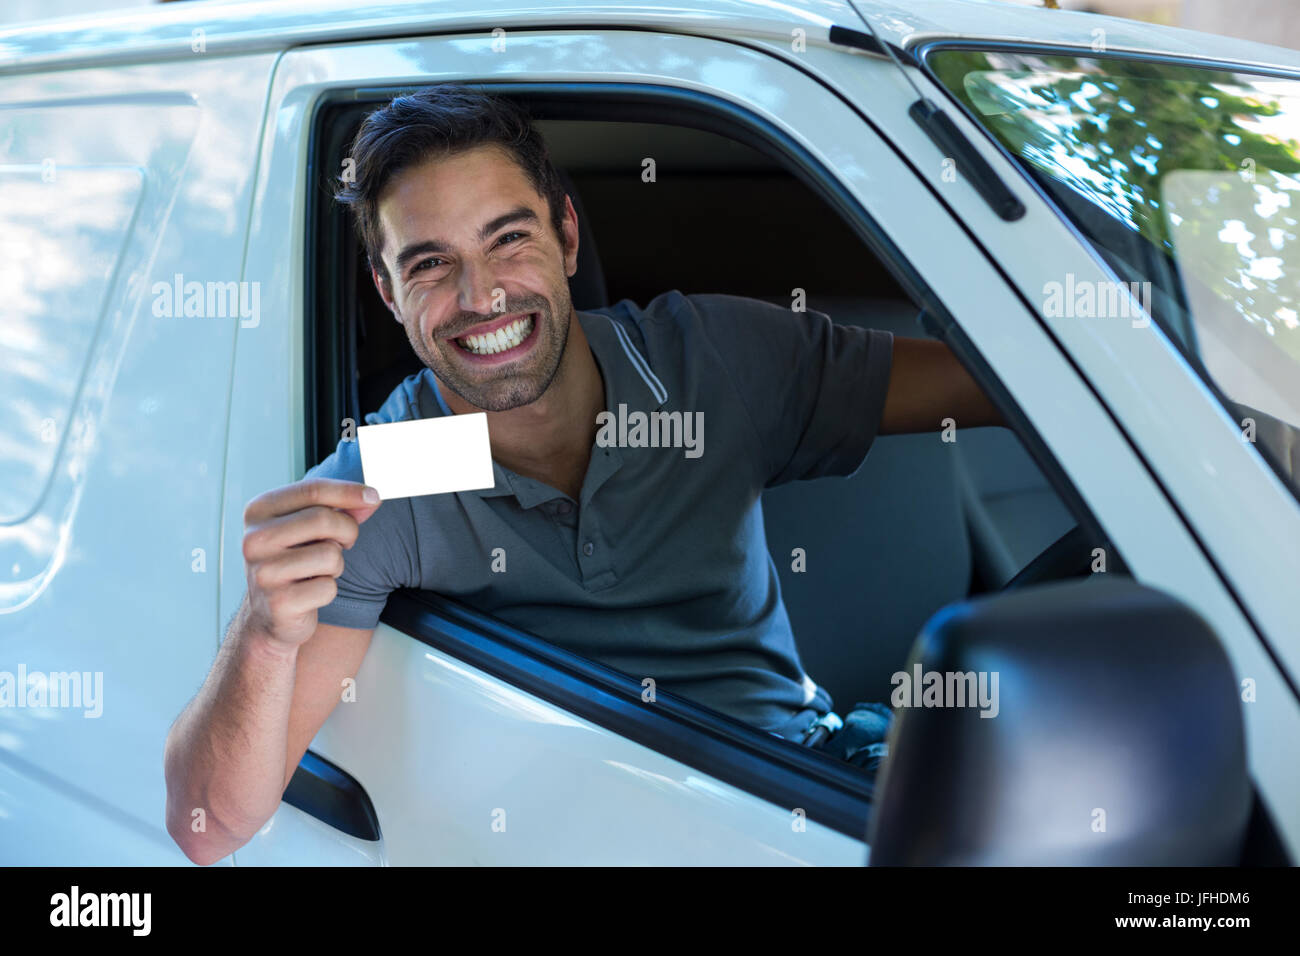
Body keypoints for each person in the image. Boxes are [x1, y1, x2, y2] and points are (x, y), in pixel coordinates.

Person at [164, 85, 1002, 865]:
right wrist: (265, 630)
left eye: (509, 239)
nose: (483, 295)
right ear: (387, 292)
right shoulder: (387, 478)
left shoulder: (715, 363)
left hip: (795, 792)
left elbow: (1019, 389)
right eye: (430, 265)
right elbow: (210, 827)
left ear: (566, 237)